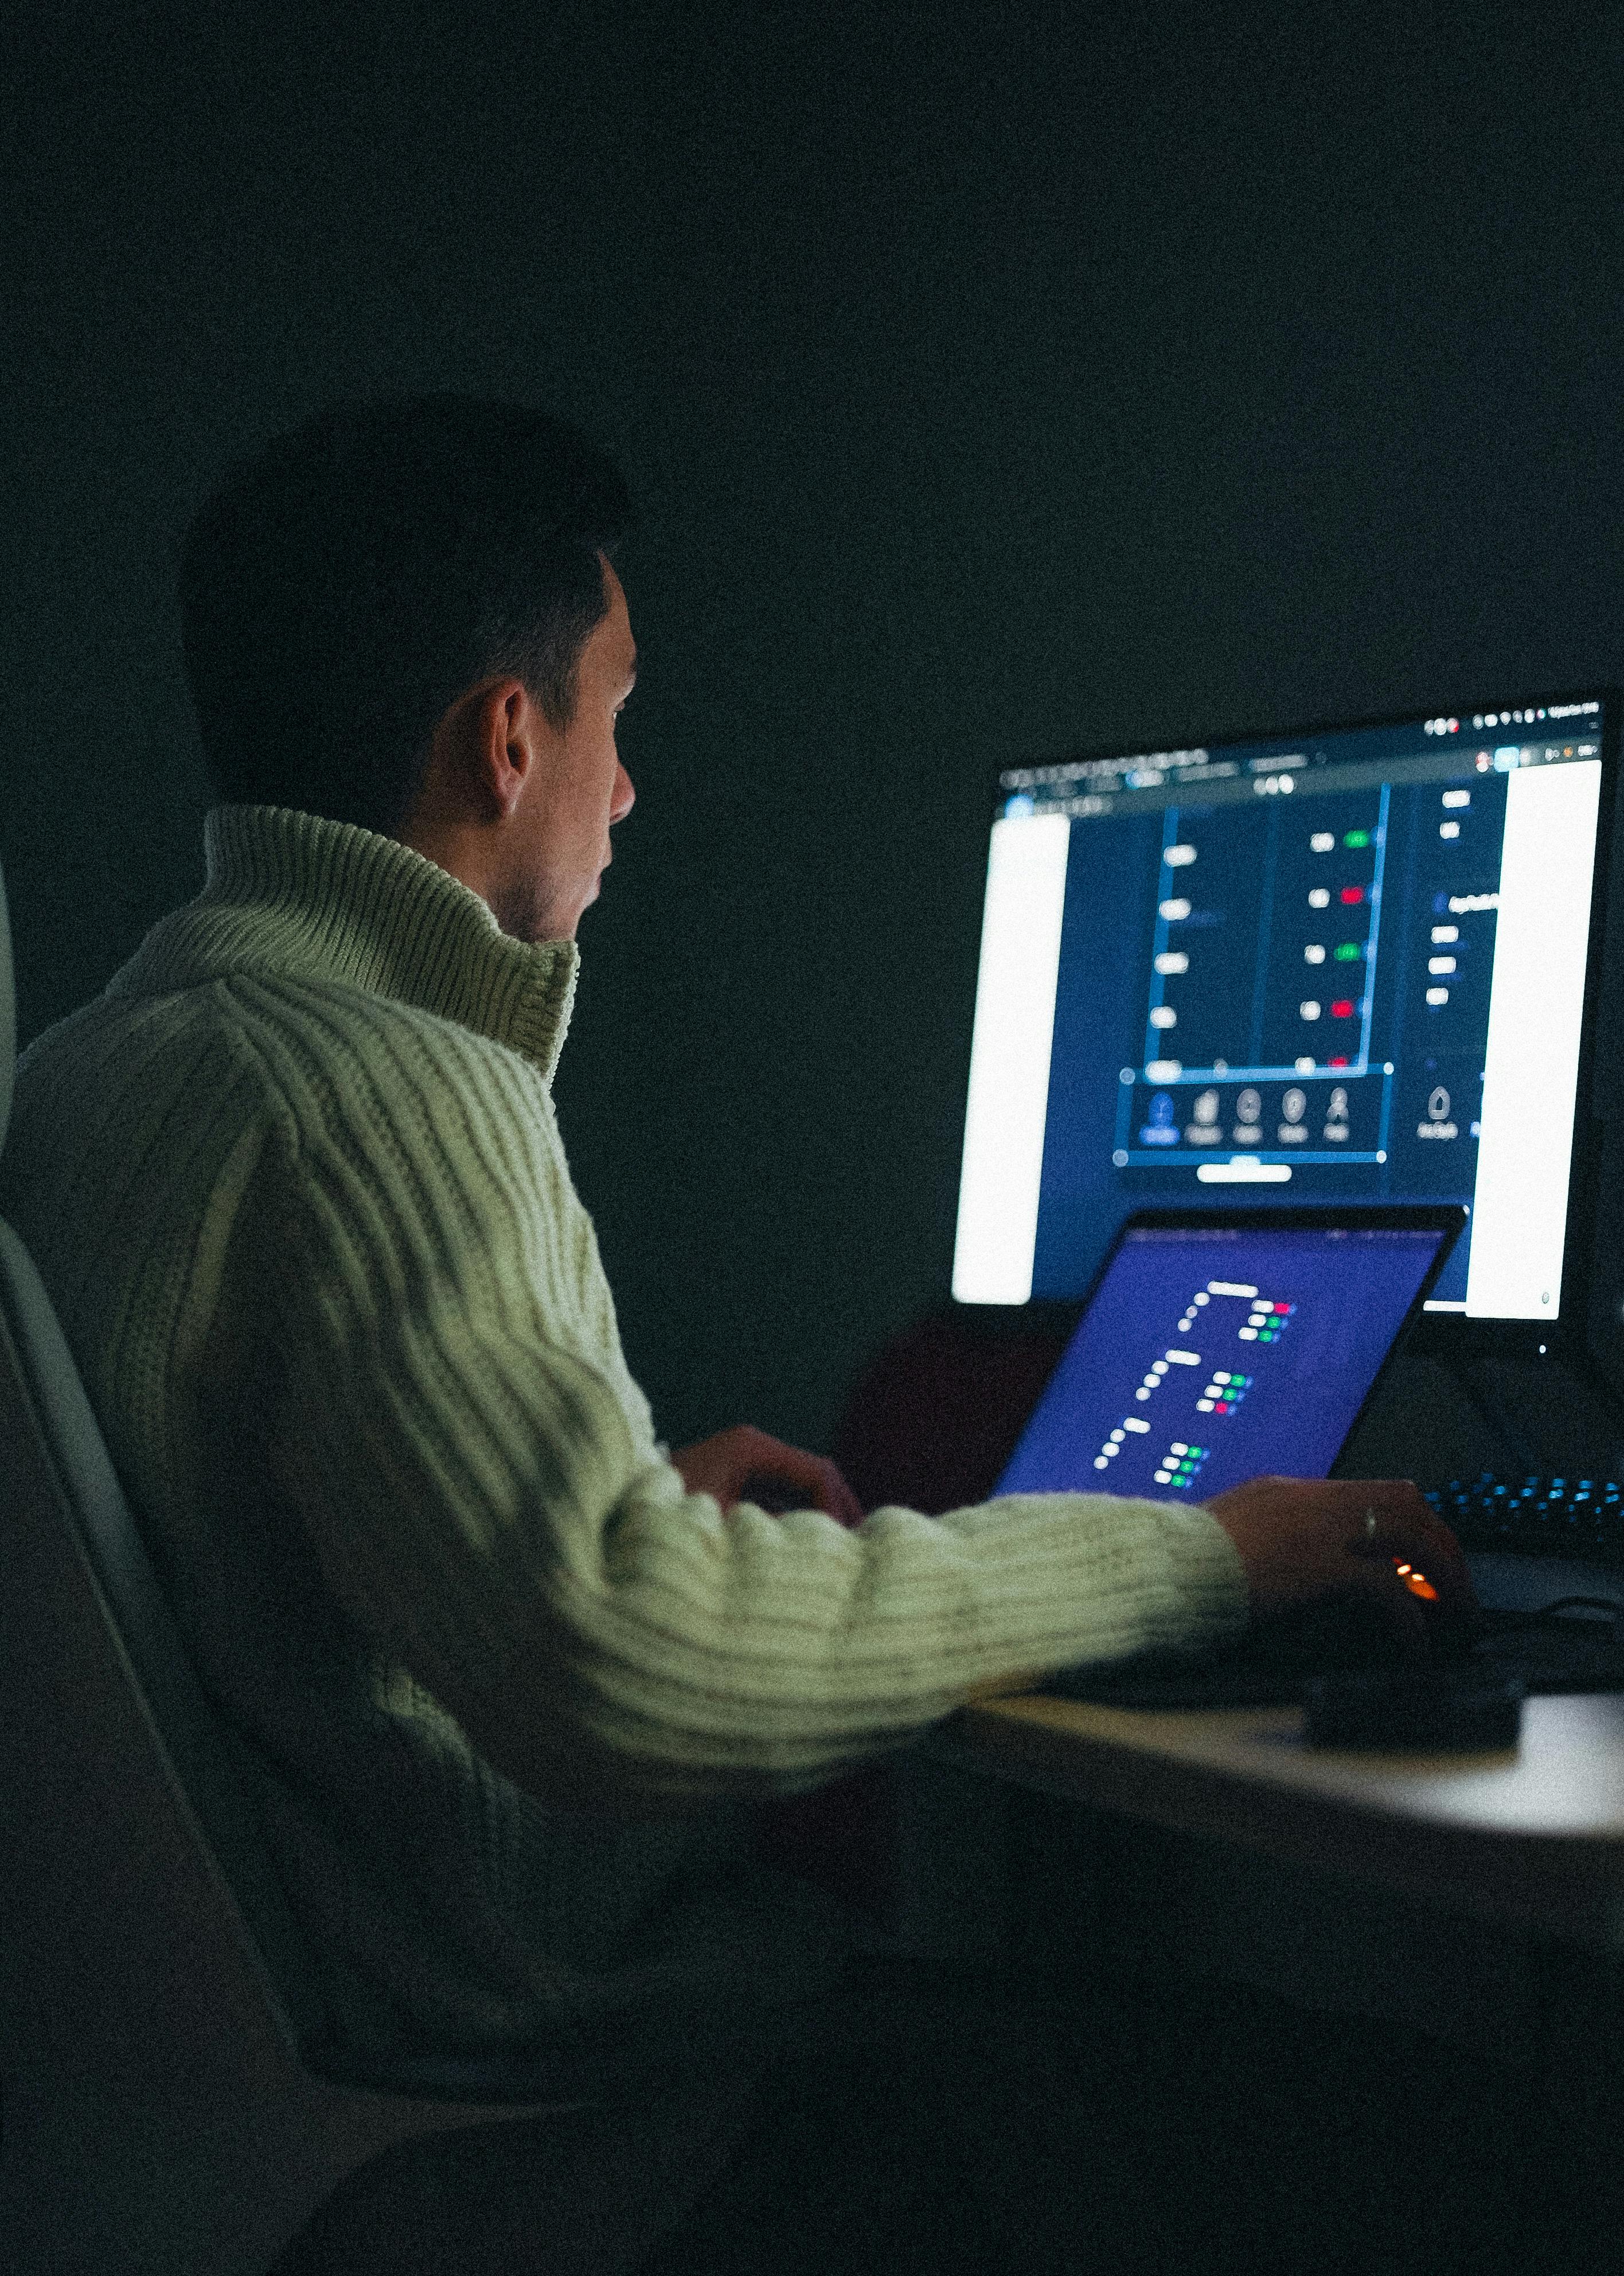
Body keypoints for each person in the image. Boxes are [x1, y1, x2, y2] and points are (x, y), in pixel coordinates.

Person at [0, 392, 1481, 2273]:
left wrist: (618, 1513)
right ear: (509, 735)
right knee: (1418, 2124)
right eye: (618, 716)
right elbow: (623, 1668)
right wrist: (1204, 1558)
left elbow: (268, 1610)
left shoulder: (94, 1072)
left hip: (216, 2136)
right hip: (547, 2130)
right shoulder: (389, 1093)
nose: (627, 787)